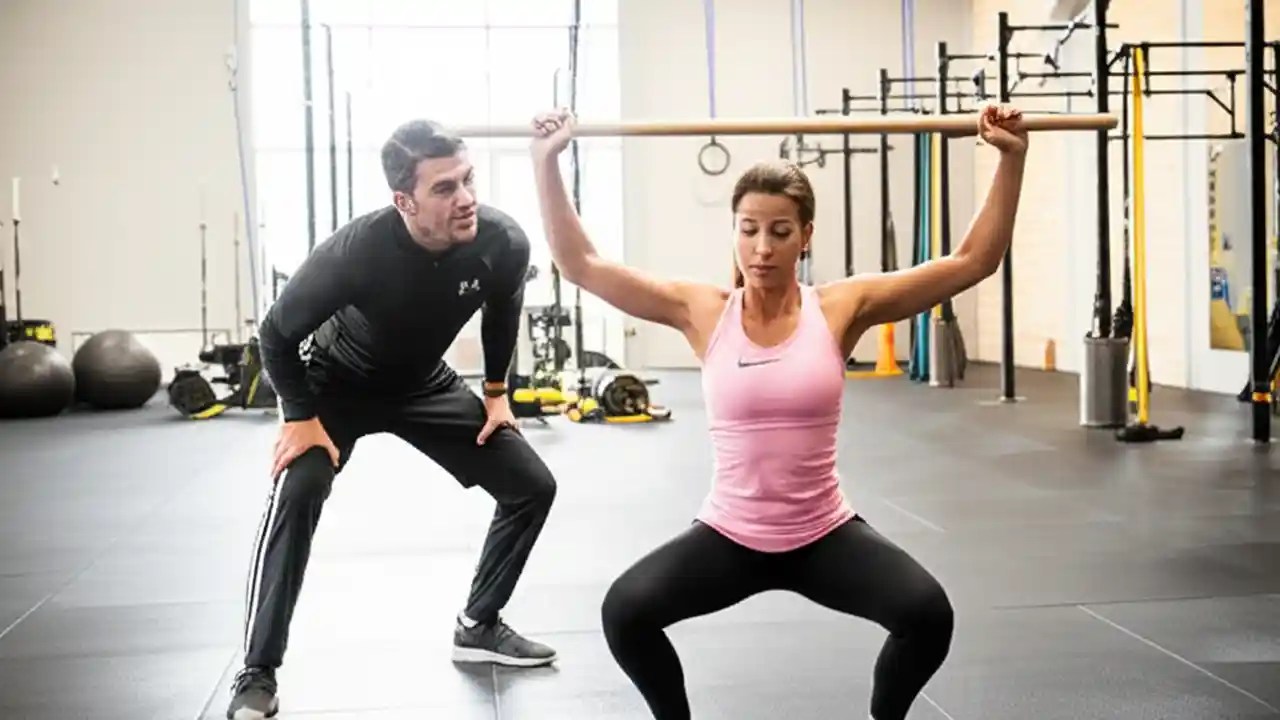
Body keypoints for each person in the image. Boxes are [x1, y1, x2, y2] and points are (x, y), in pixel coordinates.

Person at [527, 105, 1028, 720]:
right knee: (625, 612)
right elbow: (582, 266)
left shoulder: (841, 307)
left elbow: (972, 262)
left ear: (806, 234)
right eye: (748, 229)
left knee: (927, 615)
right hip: (731, 535)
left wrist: (1010, 156)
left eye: (780, 231)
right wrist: (546, 163)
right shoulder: (703, 310)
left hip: (822, 533)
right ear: (733, 231)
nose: (761, 249)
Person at [227, 119, 559, 720]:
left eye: (468, 179)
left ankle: (478, 624)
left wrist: (495, 392)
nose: (465, 198)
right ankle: (257, 672)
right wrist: (299, 416)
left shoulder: (501, 241)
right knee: (297, 492)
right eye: (444, 189)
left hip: (423, 383)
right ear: (404, 201)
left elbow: (503, 307)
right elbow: (274, 333)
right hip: (336, 385)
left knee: (532, 486)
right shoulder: (356, 252)